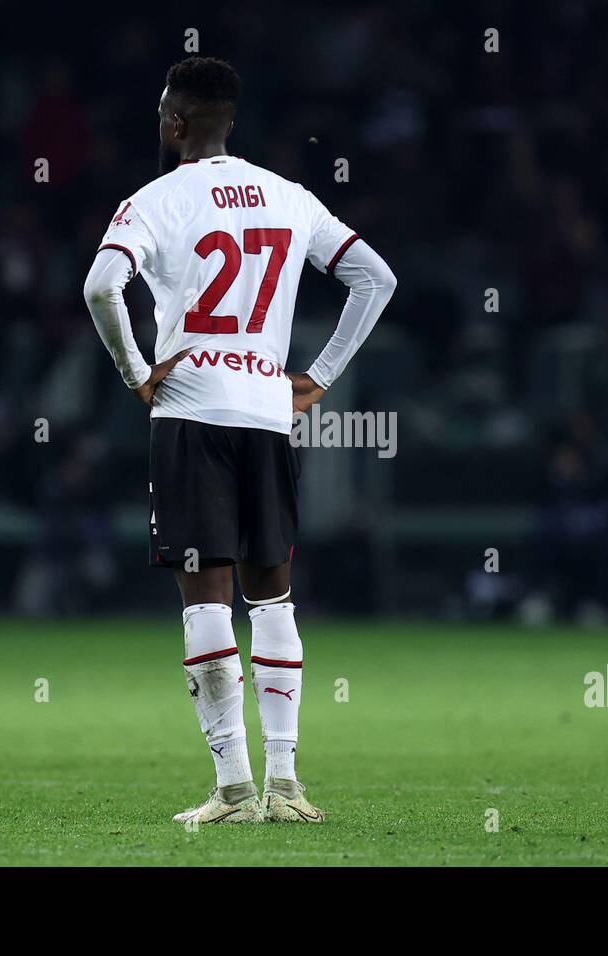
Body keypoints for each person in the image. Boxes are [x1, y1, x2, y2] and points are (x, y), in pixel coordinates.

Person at [82, 57, 396, 824]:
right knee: (274, 597)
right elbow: (376, 278)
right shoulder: (290, 197)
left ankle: (232, 790)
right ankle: (286, 785)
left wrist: (134, 372)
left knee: (206, 605)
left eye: (162, 112)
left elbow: (100, 286)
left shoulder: (155, 200)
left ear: (177, 122)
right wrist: (316, 377)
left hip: (190, 413)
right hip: (265, 412)